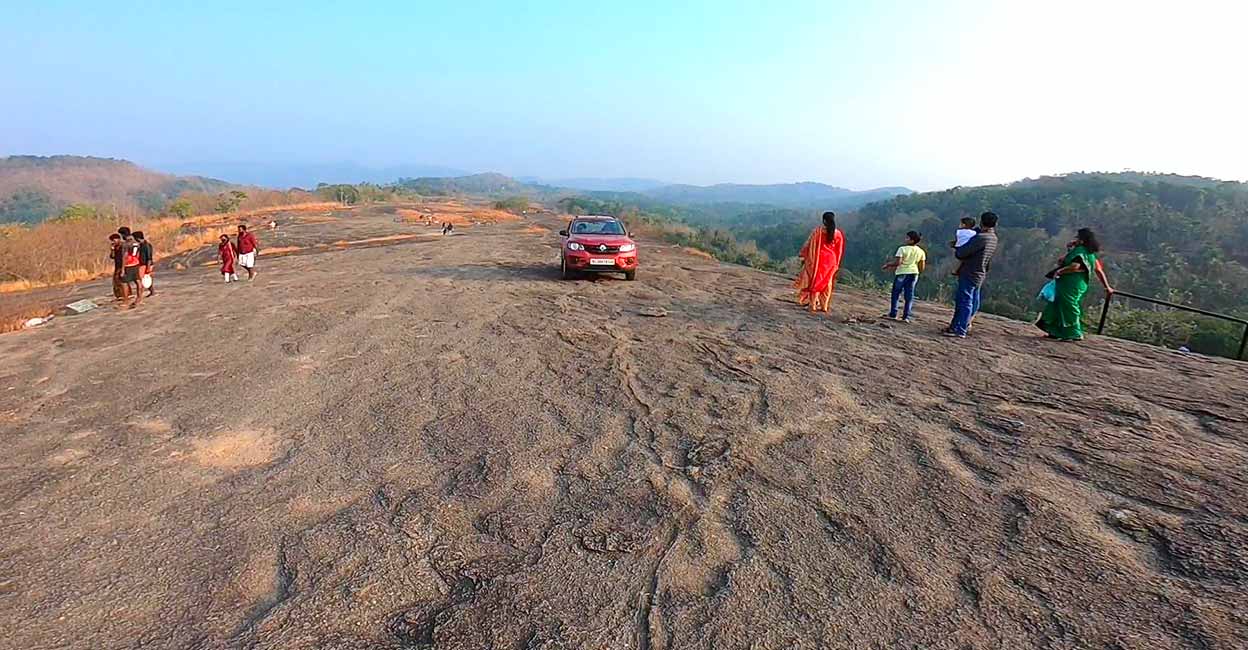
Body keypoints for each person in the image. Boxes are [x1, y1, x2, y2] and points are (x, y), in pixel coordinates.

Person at [1036, 228, 1101, 341]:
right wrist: (1070, 249)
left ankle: (1074, 333)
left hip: (1071, 284)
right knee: (1058, 304)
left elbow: (1075, 267)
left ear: (1082, 239)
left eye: (1078, 237)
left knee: (1068, 306)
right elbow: (1064, 261)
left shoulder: (1080, 251)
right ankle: (1055, 331)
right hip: (1075, 283)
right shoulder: (1089, 253)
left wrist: (1060, 271)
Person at [944, 211, 999, 338]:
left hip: (970, 272)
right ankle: (959, 326)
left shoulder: (980, 238)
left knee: (964, 301)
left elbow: (961, 253)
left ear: (981, 222)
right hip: (980, 273)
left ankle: (960, 329)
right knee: (972, 300)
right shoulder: (993, 238)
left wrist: (958, 246)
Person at [793, 211, 845, 313]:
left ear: (824, 221)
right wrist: (836, 264)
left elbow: (808, 244)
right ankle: (824, 306)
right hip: (831, 260)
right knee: (827, 282)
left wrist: (802, 254)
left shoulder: (817, 232)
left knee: (816, 281)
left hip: (818, 259)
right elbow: (839, 250)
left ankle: (812, 305)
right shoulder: (838, 234)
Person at [882, 230, 926, 322]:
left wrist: (888, 265)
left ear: (912, 240)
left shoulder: (902, 249)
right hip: (914, 273)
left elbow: (898, 262)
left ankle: (893, 313)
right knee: (909, 295)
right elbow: (922, 266)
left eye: (907, 238)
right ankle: (906, 316)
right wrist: (917, 271)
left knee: (896, 293)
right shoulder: (921, 251)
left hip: (902, 273)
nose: (905, 239)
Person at [120, 231, 143, 308]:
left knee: (124, 282)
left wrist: (123, 269)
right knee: (138, 281)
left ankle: (126, 301)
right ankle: (139, 298)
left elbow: (125, 256)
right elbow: (138, 254)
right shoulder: (136, 243)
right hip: (136, 263)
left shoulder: (126, 244)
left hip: (128, 264)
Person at [134, 231, 155, 297]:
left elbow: (149, 257)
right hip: (143, 264)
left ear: (137, 238)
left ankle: (140, 294)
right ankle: (151, 291)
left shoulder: (146, 245)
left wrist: (148, 268)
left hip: (146, 264)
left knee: (142, 279)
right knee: (146, 279)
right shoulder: (141, 245)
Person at [108, 233, 126, 301]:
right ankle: (119, 295)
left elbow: (125, 257)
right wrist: (112, 250)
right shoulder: (115, 247)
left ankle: (125, 294)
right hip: (117, 265)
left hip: (123, 265)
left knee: (121, 280)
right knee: (115, 281)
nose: (113, 242)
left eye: (114, 240)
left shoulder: (123, 246)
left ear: (118, 239)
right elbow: (112, 256)